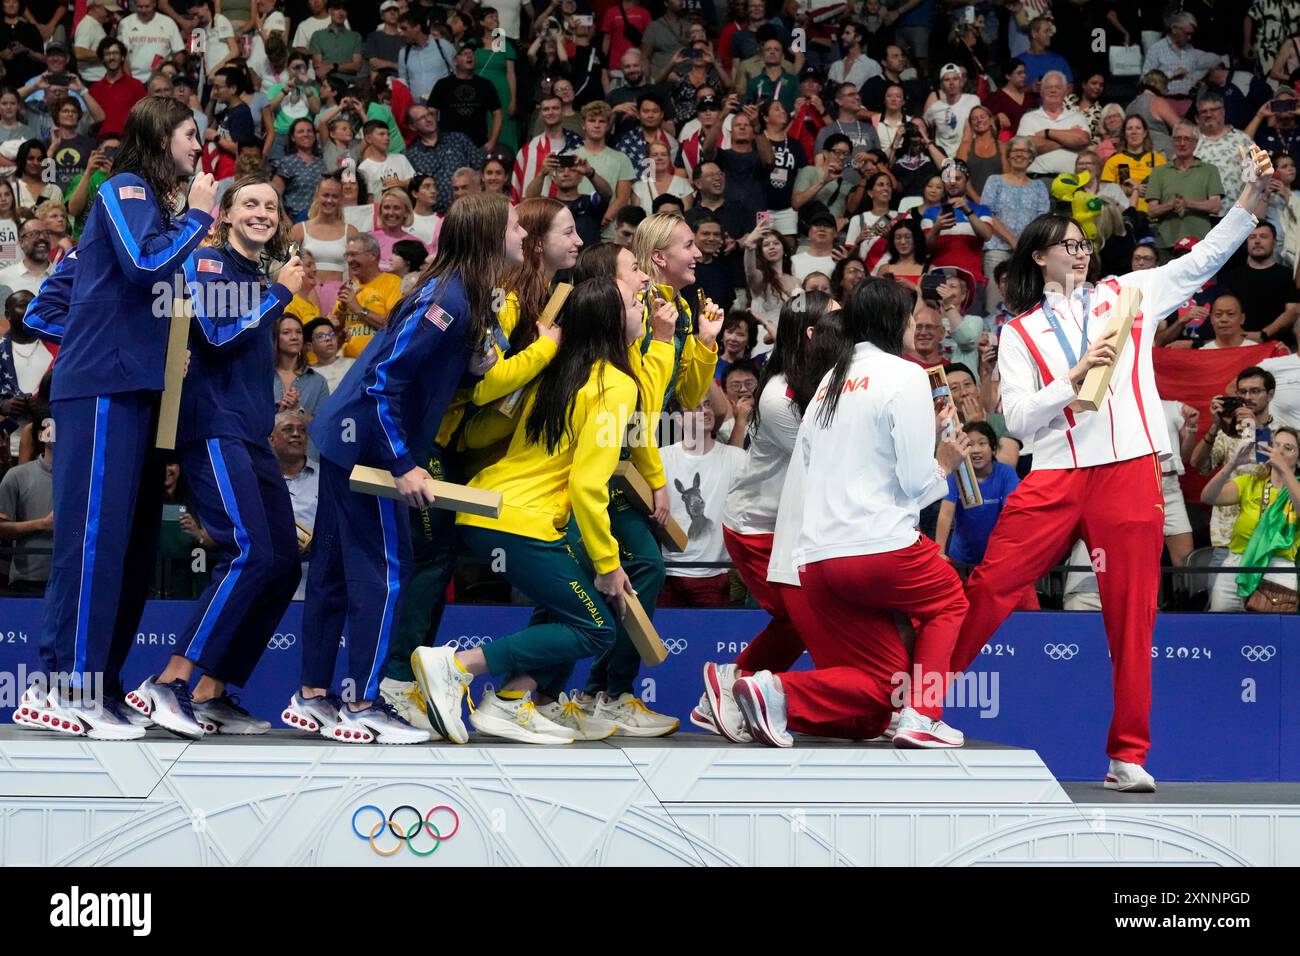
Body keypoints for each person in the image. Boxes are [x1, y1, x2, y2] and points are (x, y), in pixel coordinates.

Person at [951, 146, 1276, 793]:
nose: (1078, 250)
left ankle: (1127, 754)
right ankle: (918, 700)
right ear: (1038, 256)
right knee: (989, 587)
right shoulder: (1020, 333)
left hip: (1129, 471)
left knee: (1133, 616)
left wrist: (1252, 197)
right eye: (1064, 243)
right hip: (1056, 477)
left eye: (1082, 242)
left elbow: (1202, 261)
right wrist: (1068, 383)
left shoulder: (1127, 293)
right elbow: (1016, 419)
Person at [286, 193, 526, 744]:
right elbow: (383, 382)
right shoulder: (449, 301)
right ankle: (364, 704)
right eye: (515, 224)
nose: (523, 235)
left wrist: (472, 369)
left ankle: (314, 695)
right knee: (388, 574)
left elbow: (423, 372)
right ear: (490, 234)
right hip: (369, 451)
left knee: (329, 573)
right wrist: (403, 463)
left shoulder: (462, 297)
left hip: (347, 442)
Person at [23, 96, 216, 739]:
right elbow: (142, 267)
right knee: (93, 541)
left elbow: (66, 302)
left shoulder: (149, 209)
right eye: (192, 134)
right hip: (103, 389)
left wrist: (151, 349)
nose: (199, 146)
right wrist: (200, 216)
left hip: (130, 389)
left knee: (119, 551)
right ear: (163, 136)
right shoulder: (127, 188)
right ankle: (62, 689)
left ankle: (90, 685)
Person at [717, 278, 972, 749]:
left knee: (881, 689)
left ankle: (773, 689)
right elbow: (917, 482)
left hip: (815, 560)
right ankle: (925, 714)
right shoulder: (906, 374)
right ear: (896, 321)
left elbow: (813, 472)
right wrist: (945, 464)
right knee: (950, 599)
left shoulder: (825, 382)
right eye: (912, 317)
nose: (915, 325)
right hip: (879, 548)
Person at [410, 276, 642, 745]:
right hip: (523, 520)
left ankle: (512, 701)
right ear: (613, 321)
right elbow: (587, 483)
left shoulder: (553, 368)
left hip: (487, 508)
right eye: (635, 302)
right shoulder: (615, 385)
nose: (644, 307)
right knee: (597, 630)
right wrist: (608, 562)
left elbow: (486, 403)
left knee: (570, 615)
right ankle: (456, 666)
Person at [125, 175, 305, 737]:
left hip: (252, 436)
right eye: (249, 203)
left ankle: (211, 691)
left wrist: (273, 288)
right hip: (212, 430)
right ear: (225, 215)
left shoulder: (255, 273)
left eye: (270, 206)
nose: (261, 212)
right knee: (250, 550)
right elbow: (219, 334)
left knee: (280, 563)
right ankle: (167, 681)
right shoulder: (207, 265)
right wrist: (281, 295)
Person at [700, 293, 835, 741]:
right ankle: (730, 680)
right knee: (800, 617)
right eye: (835, 320)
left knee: (799, 619)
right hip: (756, 526)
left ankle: (722, 691)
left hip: (788, 526)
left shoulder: (819, 379)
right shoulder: (778, 397)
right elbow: (826, 461)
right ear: (811, 333)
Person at [1201, 426, 1300, 611]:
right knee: (1222, 628)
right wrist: (1232, 464)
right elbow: (1207, 497)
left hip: (1277, 567)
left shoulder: (1297, 488)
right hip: (1237, 562)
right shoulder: (1250, 481)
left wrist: (1285, 470)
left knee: (1268, 634)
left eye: (1288, 448)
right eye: (1276, 445)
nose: (1279, 450)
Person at [659, 396, 746, 607]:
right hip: (668, 573)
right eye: (695, 408)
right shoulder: (660, 458)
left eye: (707, 405)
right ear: (679, 420)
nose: (705, 411)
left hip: (713, 574)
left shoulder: (737, 457)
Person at [1144, 122, 1224, 258]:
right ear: (1172, 141)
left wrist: (1187, 204)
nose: (1182, 143)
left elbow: (1215, 206)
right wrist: (1172, 205)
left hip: (1200, 243)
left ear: (1196, 142)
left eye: (1187, 139)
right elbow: (1151, 211)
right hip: (1166, 244)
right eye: (1177, 138)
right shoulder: (1159, 172)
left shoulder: (1209, 170)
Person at [0, 412, 52, 594]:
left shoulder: (87, 479)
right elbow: (2, 529)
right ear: (40, 434)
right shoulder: (17, 477)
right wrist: (41, 525)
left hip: (75, 577)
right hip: (28, 580)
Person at [404, 104, 486, 216]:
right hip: (435, 217)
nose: (428, 119)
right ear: (413, 126)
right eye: (422, 118)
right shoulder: (411, 155)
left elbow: (480, 167)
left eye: (429, 114)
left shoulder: (458, 139)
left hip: (470, 211)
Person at [334, 233, 402, 357]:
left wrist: (359, 310)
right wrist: (342, 310)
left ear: (373, 255)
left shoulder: (392, 282)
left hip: (375, 363)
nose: (349, 260)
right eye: (347, 255)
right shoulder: (349, 287)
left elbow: (394, 324)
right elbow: (333, 329)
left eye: (354, 254)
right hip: (346, 362)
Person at [1017, 71, 1090, 178]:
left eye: (1058, 87)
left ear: (1065, 92)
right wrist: (1068, 140)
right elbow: (1026, 148)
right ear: (1041, 92)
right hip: (1038, 179)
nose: (1053, 90)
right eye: (1048, 87)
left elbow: (1083, 140)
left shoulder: (1077, 117)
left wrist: (1048, 133)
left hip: (1071, 180)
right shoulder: (1029, 118)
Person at [1101, 115, 1165, 216]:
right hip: (1124, 216)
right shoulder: (1115, 161)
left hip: (1153, 216)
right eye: (1129, 128)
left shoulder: (1158, 159)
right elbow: (1105, 192)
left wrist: (1152, 190)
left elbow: (1167, 188)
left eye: (1138, 128)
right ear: (1125, 134)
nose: (1134, 132)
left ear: (1145, 133)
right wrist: (1132, 189)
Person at [272, 314, 329, 417]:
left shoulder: (318, 382)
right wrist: (278, 414)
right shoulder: (261, 378)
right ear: (275, 338)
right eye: (286, 333)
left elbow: (322, 426)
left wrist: (298, 409)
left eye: (299, 332)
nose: (294, 337)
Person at [923, 63, 981, 159]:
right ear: (941, 85)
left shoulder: (973, 100)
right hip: (944, 158)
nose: (951, 83)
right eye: (947, 80)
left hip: (969, 154)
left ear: (961, 82)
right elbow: (922, 125)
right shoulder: (935, 107)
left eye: (955, 79)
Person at [0, 216, 53, 295]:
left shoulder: (62, 275)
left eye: (46, 233)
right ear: (21, 242)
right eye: (34, 234)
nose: (42, 237)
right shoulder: (3, 278)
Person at [303, 315, 353, 393]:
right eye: (321, 336)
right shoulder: (308, 375)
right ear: (310, 346)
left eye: (331, 334)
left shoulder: (352, 364)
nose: (328, 338)